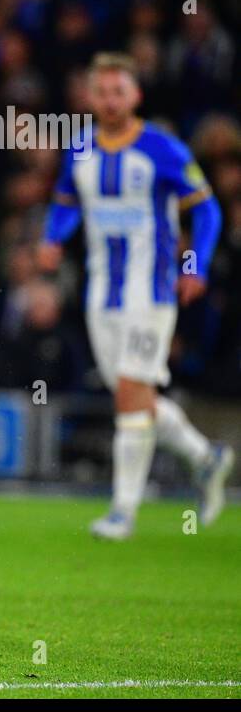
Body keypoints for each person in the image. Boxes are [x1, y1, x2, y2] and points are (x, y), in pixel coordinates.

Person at [39, 51, 231, 539]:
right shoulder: (80, 150)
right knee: (137, 397)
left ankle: (122, 512)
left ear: (136, 94)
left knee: (130, 392)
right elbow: (65, 204)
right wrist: (51, 240)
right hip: (102, 293)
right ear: (90, 97)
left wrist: (196, 266)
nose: (109, 100)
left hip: (153, 290)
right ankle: (206, 457)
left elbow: (207, 211)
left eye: (118, 91)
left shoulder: (163, 149)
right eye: (100, 92)